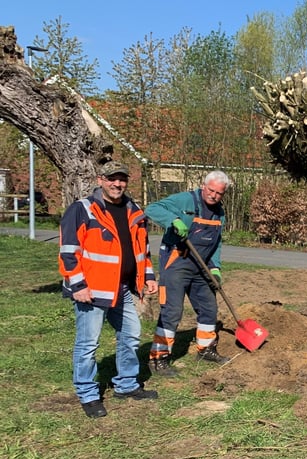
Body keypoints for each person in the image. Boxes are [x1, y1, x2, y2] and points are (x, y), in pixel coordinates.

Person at [59, 161, 159, 418]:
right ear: (100, 180)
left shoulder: (133, 210)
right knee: (88, 343)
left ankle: (126, 384)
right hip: (92, 290)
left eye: (122, 179)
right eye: (112, 179)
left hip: (123, 288)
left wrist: (147, 275)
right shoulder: (83, 210)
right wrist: (77, 285)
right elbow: (69, 252)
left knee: (131, 334)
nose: (117, 184)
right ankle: (88, 394)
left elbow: (142, 251)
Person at [146, 170, 234, 375]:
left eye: (219, 193)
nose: (213, 196)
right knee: (172, 311)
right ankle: (159, 357)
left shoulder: (219, 212)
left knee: (209, 307)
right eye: (211, 190)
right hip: (177, 262)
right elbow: (152, 208)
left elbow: (216, 243)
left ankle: (205, 349)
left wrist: (215, 268)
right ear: (204, 186)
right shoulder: (185, 200)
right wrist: (173, 220)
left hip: (201, 266)